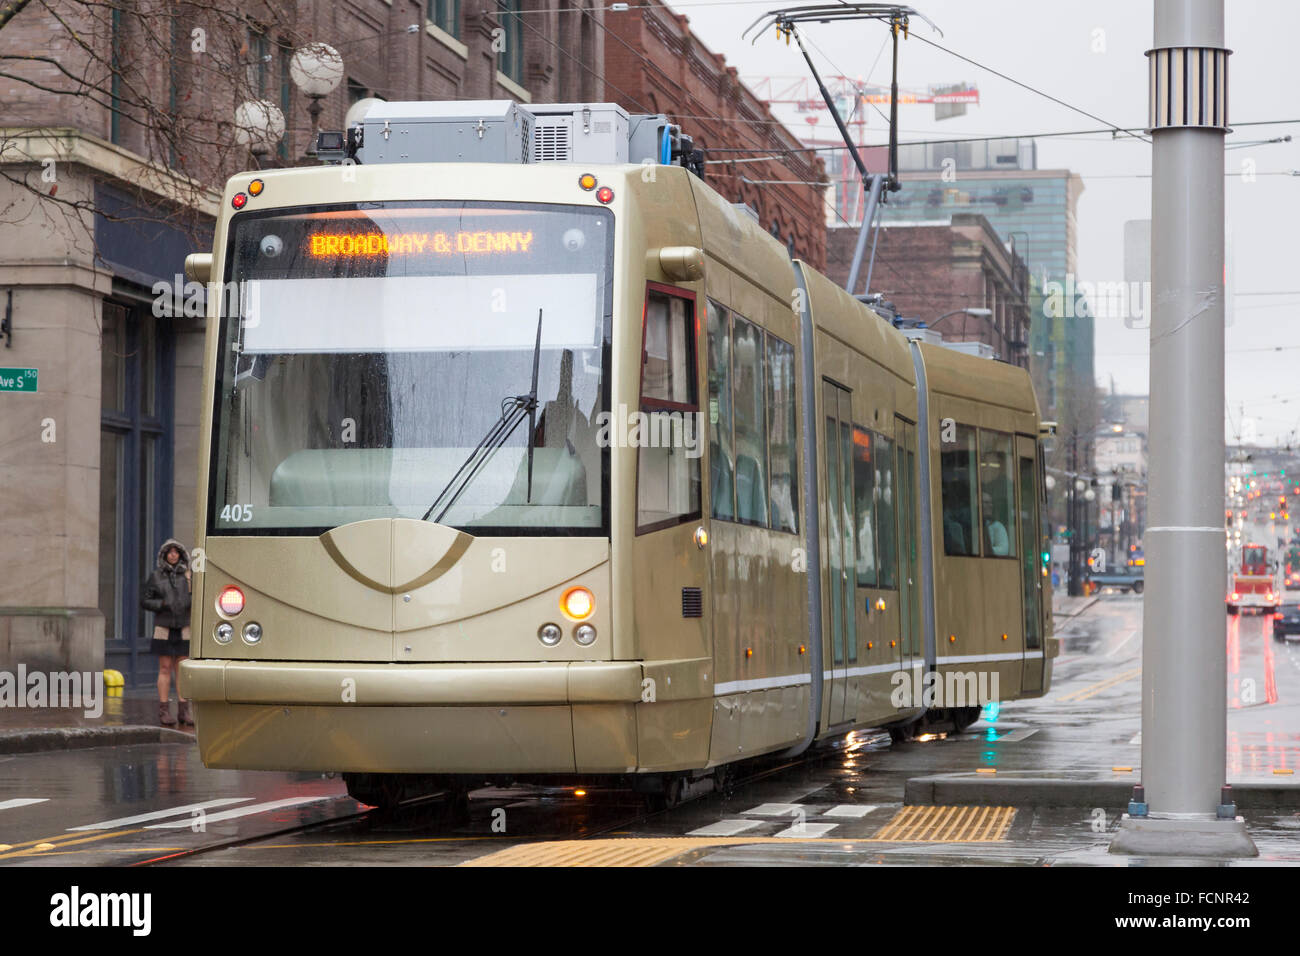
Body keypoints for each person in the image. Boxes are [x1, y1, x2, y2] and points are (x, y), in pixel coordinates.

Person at [141, 538, 193, 726]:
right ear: (164, 555)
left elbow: (197, 597)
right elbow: (145, 601)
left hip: (184, 627)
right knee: (164, 669)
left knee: (182, 670)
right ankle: (163, 710)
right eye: (169, 552)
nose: (173, 555)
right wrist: (162, 604)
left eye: (176, 552)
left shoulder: (188, 576)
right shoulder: (156, 576)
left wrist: (190, 602)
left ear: (180, 555)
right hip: (163, 626)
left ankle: (183, 711)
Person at [983, 492, 1010, 556]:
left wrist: (987, 550)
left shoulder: (997, 526)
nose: (991, 505)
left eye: (991, 503)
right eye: (986, 502)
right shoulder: (968, 525)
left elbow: (1004, 550)